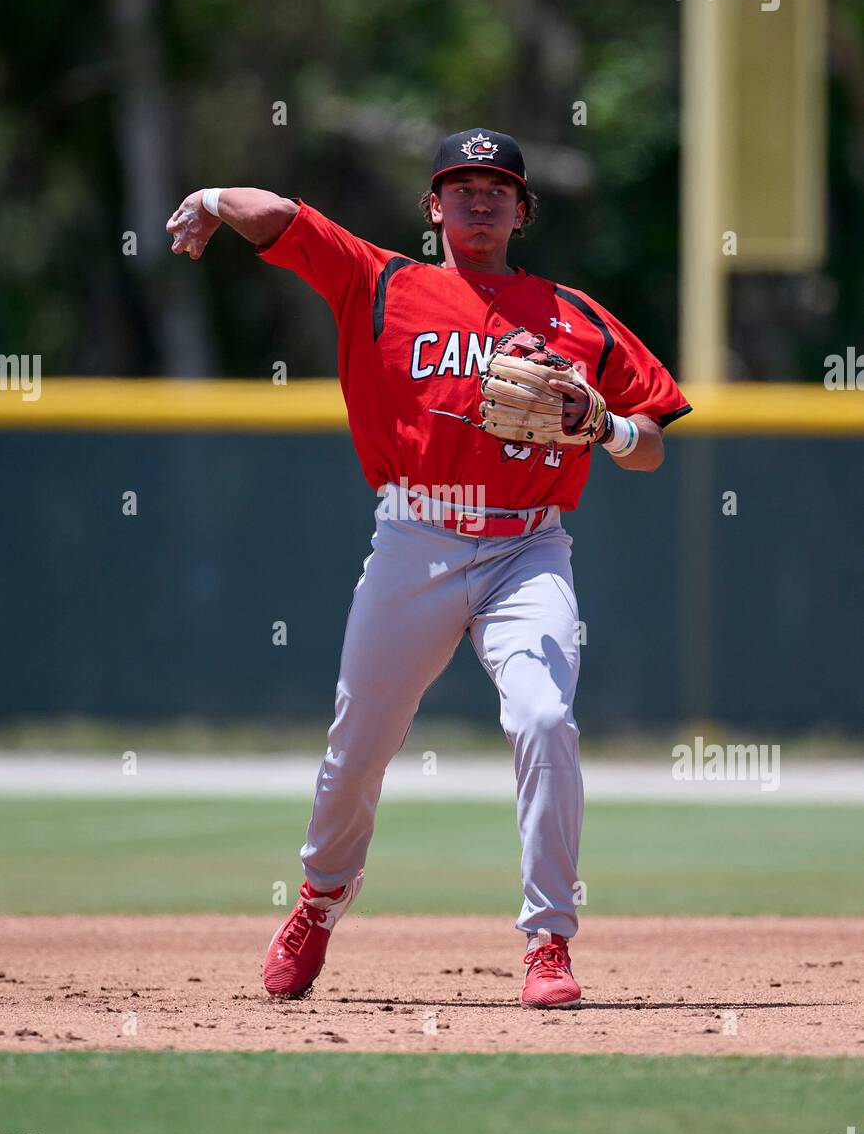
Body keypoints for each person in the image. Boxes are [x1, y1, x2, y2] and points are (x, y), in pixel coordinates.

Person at [167, 128, 691, 1010]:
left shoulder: (576, 316)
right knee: (357, 744)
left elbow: (652, 446)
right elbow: (285, 219)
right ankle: (320, 900)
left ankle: (548, 941)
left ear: (524, 210)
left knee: (546, 717)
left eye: (498, 188)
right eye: (461, 185)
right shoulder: (382, 282)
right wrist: (214, 202)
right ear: (432, 207)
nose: (479, 199)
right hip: (417, 537)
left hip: (530, 544)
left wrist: (603, 426)